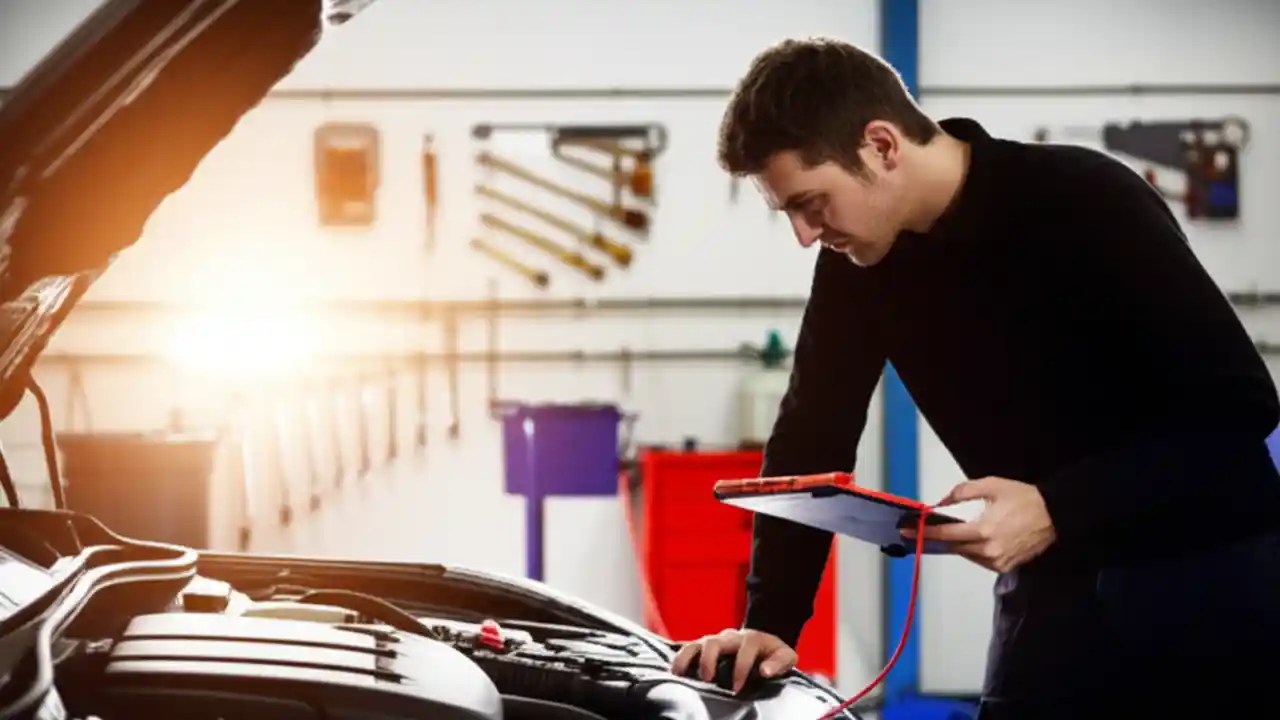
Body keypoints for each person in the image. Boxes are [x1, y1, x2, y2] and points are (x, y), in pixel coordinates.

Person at [668, 37, 1280, 718]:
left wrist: (1057, 507)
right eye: (788, 212)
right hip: (1049, 596)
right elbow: (813, 430)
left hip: (1210, 583)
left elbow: (1239, 404)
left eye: (812, 203)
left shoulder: (1086, 199)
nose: (806, 235)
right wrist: (773, 621)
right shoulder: (857, 268)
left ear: (882, 145)